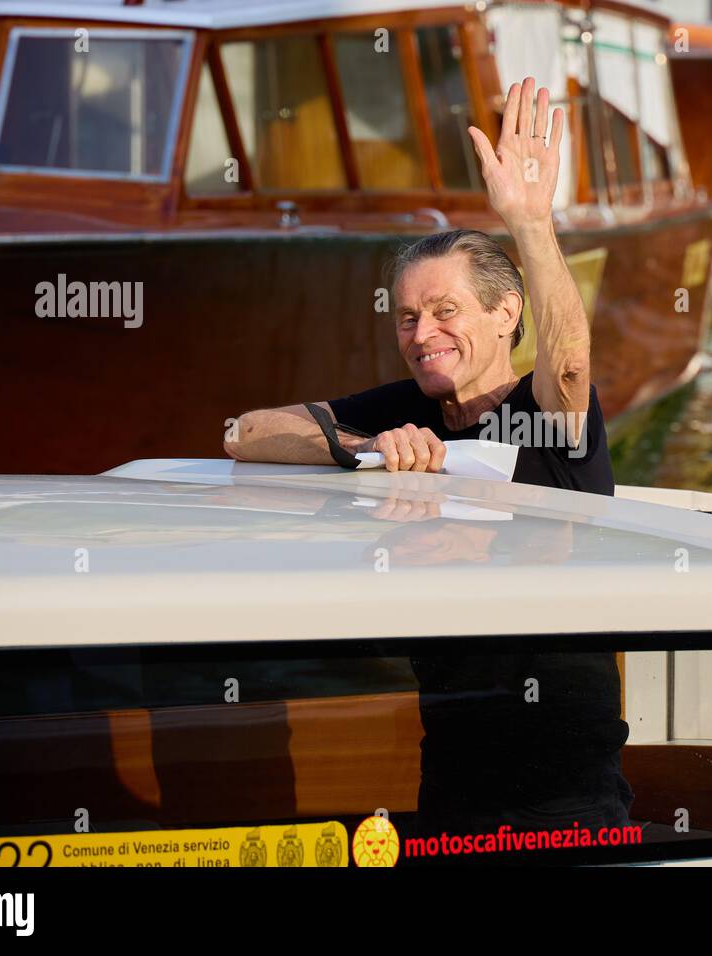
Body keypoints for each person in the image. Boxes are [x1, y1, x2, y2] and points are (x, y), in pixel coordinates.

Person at [225, 76, 632, 839]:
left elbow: (571, 363)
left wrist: (530, 224)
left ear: (505, 314)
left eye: (446, 311)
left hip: (567, 789)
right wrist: (368, 449)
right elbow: (244, 434)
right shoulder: (405, 411)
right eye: (408, 317)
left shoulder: (548, 415)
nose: (422, 333)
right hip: (448, 772)